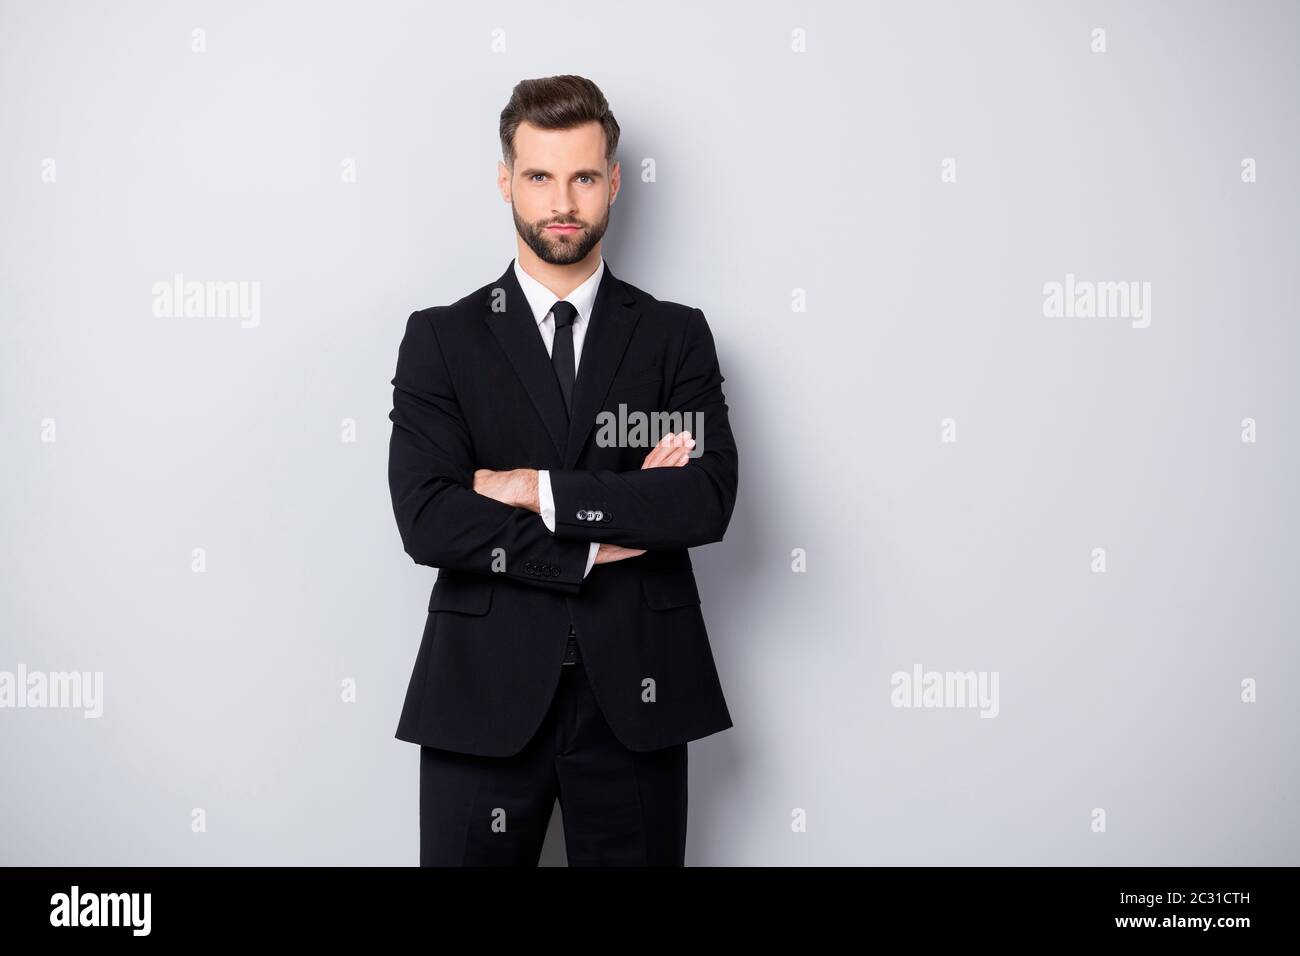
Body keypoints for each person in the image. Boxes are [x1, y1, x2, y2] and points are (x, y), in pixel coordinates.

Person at [387, 74, 739, 866]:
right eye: (540, 176)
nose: (562, 202)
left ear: (614, 182)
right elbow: (430, 518)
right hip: (480, 697)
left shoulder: (674, 339)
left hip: (638, 700)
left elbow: (700, 502)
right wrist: (596, 534)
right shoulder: (442, 339)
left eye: (583, 177)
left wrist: (528, 488)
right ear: (506, 180)